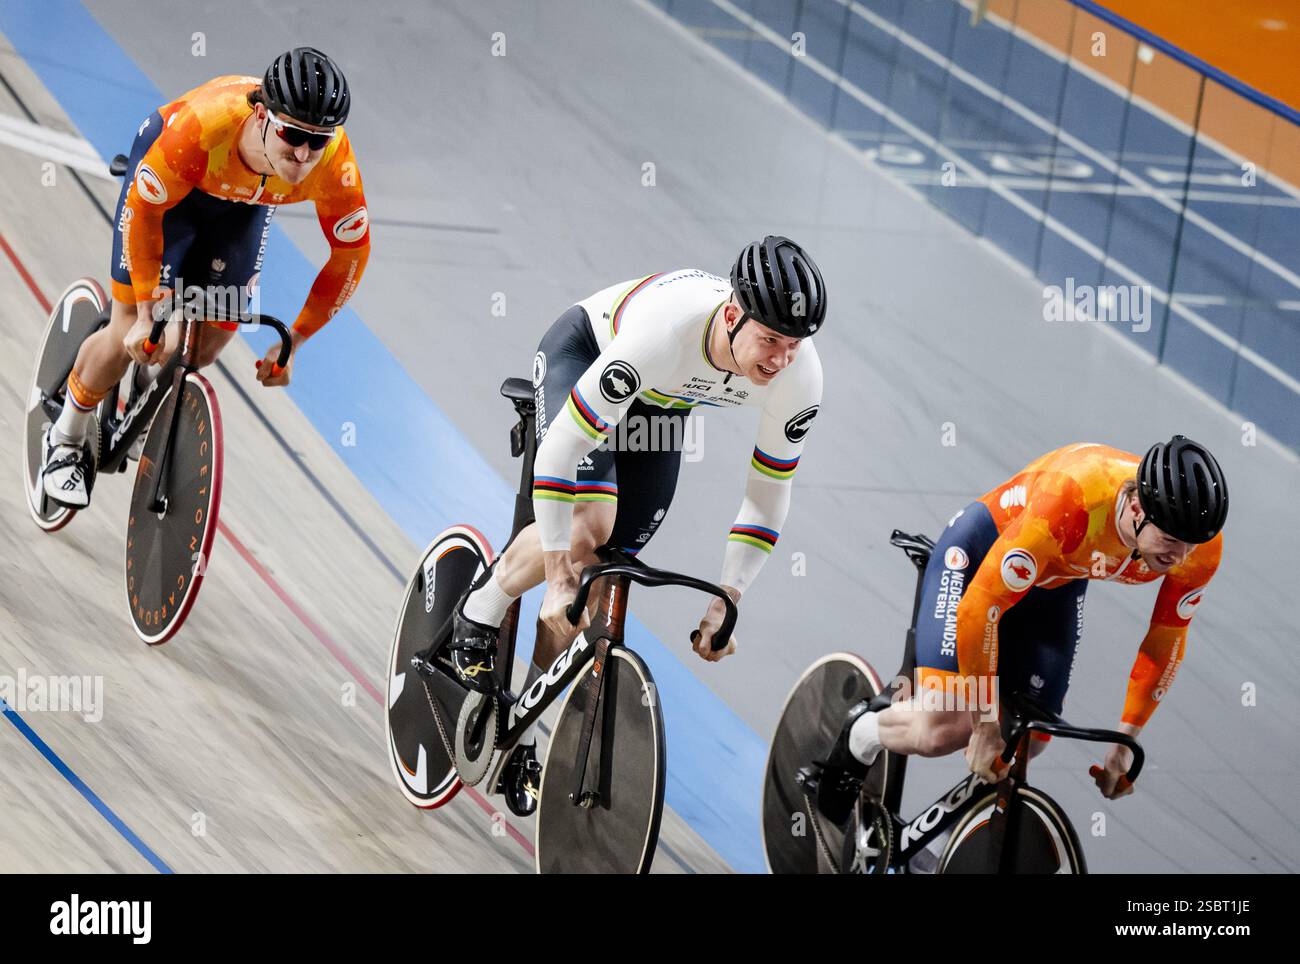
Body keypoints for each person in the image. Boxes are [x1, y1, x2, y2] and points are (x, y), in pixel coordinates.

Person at [452, 236, 827, 816]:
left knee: (605, 578)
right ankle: (478, 610)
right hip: (589, 355)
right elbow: (560, 455)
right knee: (587, 532)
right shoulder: (664, 332)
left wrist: (728, 597)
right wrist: (554, 575)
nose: (781, 359)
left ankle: (524, 723)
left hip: (662, 403)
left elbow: (768, 494)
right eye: (771, 340)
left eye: (795, 344)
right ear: (732, 315)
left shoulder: (799, 376)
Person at [815, 437, 1228, 825]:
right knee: (942, 728)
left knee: (1032, 736)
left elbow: (1164, 643)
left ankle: (961, 840)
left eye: (1190, 547)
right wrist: (983, 725)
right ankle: (862, 734)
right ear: (1137, 508)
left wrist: (1124, 741)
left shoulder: (1197, 545)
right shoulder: (1075, 502)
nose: (1180, 559)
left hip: (1054, 580)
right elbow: (981, 608)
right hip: (979, 558)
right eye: (1171, 541)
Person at [41, 47, 370, 508]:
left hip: (245, 204)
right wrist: (143, 309)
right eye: (293, 134)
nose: (302, 153)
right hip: (172, 191)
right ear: (261, 116)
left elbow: (350, 256)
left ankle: (139, 388)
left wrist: (294, 339)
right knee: (136, 331)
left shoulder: (335, 163)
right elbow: (145, 211)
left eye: (318, 141)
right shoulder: (203, 127)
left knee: (207, 345)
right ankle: (66, 436)